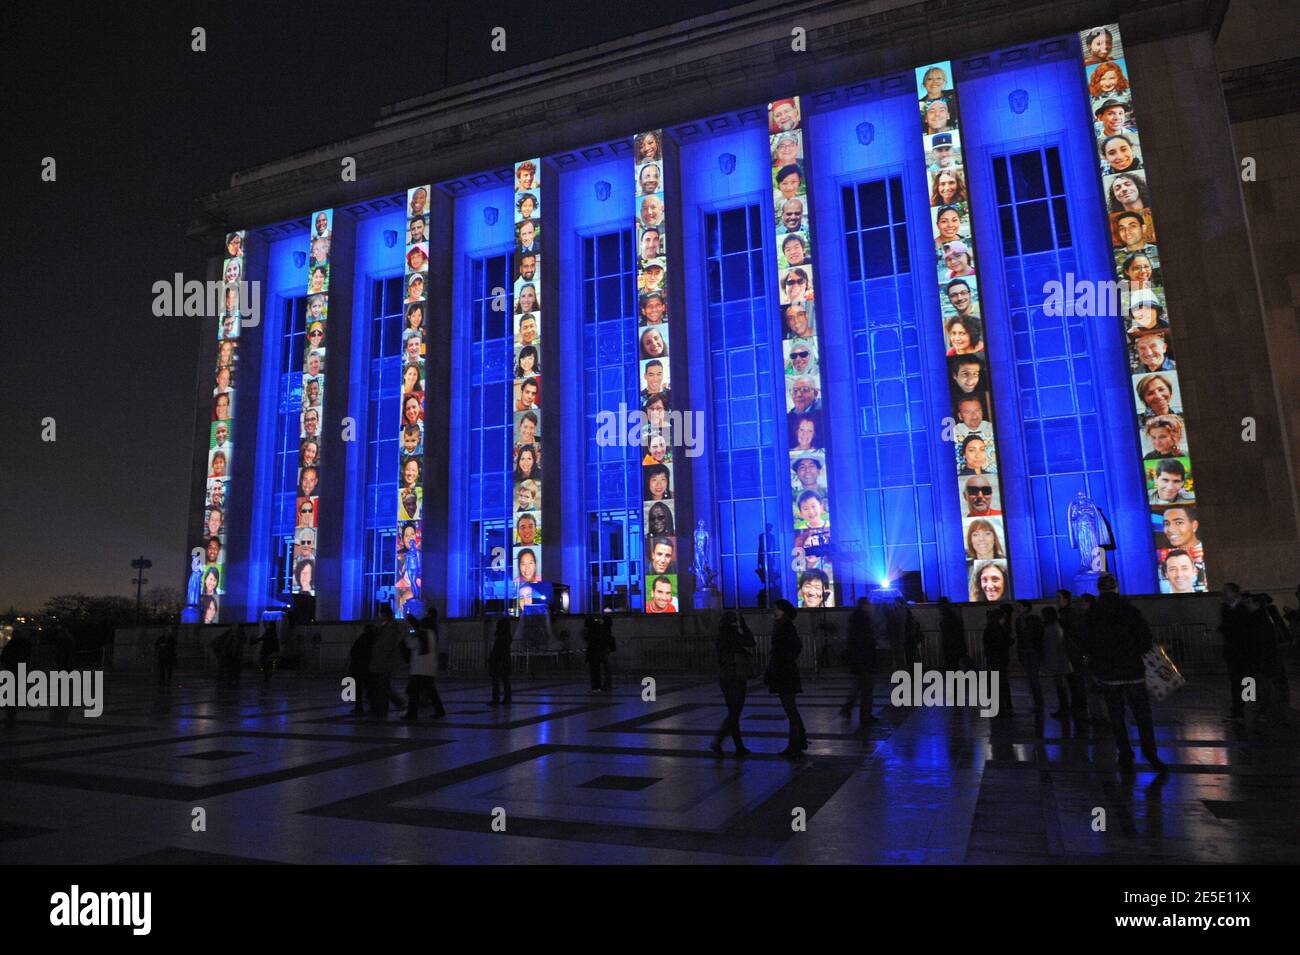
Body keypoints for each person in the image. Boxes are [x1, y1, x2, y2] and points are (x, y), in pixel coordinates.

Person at [1082, 574, 1167, 774]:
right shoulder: (1129, 609)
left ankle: (1125, 753)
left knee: (1116, 715)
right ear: (1116, 587)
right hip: (1132, 669)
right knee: (1142, 714)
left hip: (1108, 672)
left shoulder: (1093, 612)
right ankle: (1150, 753)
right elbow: (1145, 638)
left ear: (1099, 589)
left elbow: (1086, 641)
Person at [711, 610, 756, 756]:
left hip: (726, 676)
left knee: (733, 712)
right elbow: (750, 642)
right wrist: (744, 626)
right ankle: (719, 742)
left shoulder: (721, 636)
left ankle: (737, 745)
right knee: (735, 712)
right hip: (735, 676)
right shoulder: (732, 635)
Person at [765, 599, 807, 756]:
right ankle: (798, 741)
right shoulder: (782, 625)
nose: (774, 611)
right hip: (784, 671)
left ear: (783, 611)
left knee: (790, 709)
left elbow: (795, 647)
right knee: (791, 708)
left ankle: (795, 744)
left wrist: (785, 659)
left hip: (785, 672)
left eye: (777, 609)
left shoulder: (785, 626)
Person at [840, 597, 879, 730]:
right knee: (866, 690)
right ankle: (865, 716)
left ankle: (848, 709)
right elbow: (866, 643)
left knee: (857, 688)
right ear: (865, 606)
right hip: (865, 661)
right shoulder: (864, 621)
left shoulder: (855, 620)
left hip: (857, 661)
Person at [402, 611, 445, 720]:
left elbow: (412, 645)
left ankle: (412, 713)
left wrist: (407, 637)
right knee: (431, 691)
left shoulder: (422, 634)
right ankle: (439, 710)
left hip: (420, 668)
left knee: (413, 691)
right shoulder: (432, 634)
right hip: (429, 667)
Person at [368, 604, 407, 719]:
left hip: (383, 662)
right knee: (383, 686)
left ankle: (393, 704)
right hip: (382, 662)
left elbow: (385, 646)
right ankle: (392, 704)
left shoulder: (389, 628)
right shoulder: (387, 627)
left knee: (382, 686)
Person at [1039, 606, 1073, 719]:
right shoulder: (1056, 627)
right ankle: (1065, 708)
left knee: (1060, 687)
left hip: (1058, 662)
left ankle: (1064, 708)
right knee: (1061, 687)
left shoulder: (1051, 628)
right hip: (1060, 662)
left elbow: (1053, 648)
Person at [982, 604, 1015, 718]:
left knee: (995, 684)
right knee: (1001, 684)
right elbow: (1004, 643)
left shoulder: (989, 630)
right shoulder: (998, 630)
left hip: (993, 660)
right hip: (999, 660)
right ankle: (1003, 708)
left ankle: (998, 707)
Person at [1, 627, 33, 727]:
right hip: (21, 671)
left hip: (11, 670)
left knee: (11, 694)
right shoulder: (25, 644)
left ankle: (10, 716)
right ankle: (12, 716)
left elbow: (4, 657)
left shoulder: (11, 644)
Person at [348, 623, 375, 715]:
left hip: (358, 666)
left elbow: (353, 651)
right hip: (368, 666)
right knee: (369, 688)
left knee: (358, 689)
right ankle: (372, 706)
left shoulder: (362, 638)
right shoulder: (374, 640)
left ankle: (359, 707)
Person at [584, 614, 612, 692]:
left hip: (594, 652)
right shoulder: (601, 628)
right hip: (600, 651)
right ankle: (603, 686)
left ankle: (596, 687)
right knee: (601, 670)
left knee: (594, 671)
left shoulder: (591, 630)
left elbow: (589, 640)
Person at [938, 596, 968, 670]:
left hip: (951, 648)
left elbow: (947, 636)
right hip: (956, 647)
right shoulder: (953, 617)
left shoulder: (946, 619)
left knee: (952, 668)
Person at [489, 617, 513, 705]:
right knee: (505, 680)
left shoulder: (501, 637)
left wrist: (492, 658)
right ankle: (507, 698)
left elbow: (497, 650)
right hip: (505, 660)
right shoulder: (507, 636)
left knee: (496, 681)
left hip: (499, 661)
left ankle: (496, 699)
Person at [154, 625, 178, 689]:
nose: (167, 632)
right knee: (162, 670)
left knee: (169, 670)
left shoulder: (171, 639)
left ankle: (167, 681)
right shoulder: (161, 638)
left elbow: (173, 646)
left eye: (168, 631)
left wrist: (165, 646)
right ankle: (163, 681)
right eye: (166, 631)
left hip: (169, 656)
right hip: (162, 656)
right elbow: (157, 645)